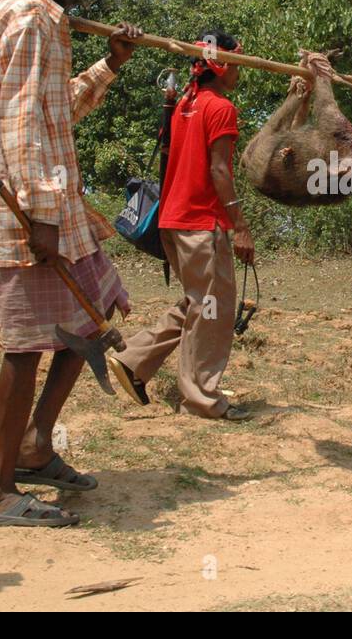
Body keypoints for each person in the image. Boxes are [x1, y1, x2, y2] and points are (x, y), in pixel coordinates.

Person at [0, 0, 144, 528]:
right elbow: (19, 125)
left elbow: (53, 112)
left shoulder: (28, 17)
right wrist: (40, 214)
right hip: (35, 211)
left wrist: (112, 64)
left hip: (56, 207)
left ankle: (38, 445)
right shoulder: (32, 18)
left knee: (89, 324)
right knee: (26, 346)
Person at [106, 29, 255, 422]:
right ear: (221, 65)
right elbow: (220, 170)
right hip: (200, 222)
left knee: (196, 302)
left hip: (172, 220)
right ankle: (201, 398)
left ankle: (133, 360)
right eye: (236, 62)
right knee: (214, 310)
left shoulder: (184, 102)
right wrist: (239, 224)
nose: (240, 71)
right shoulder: (220, 107)